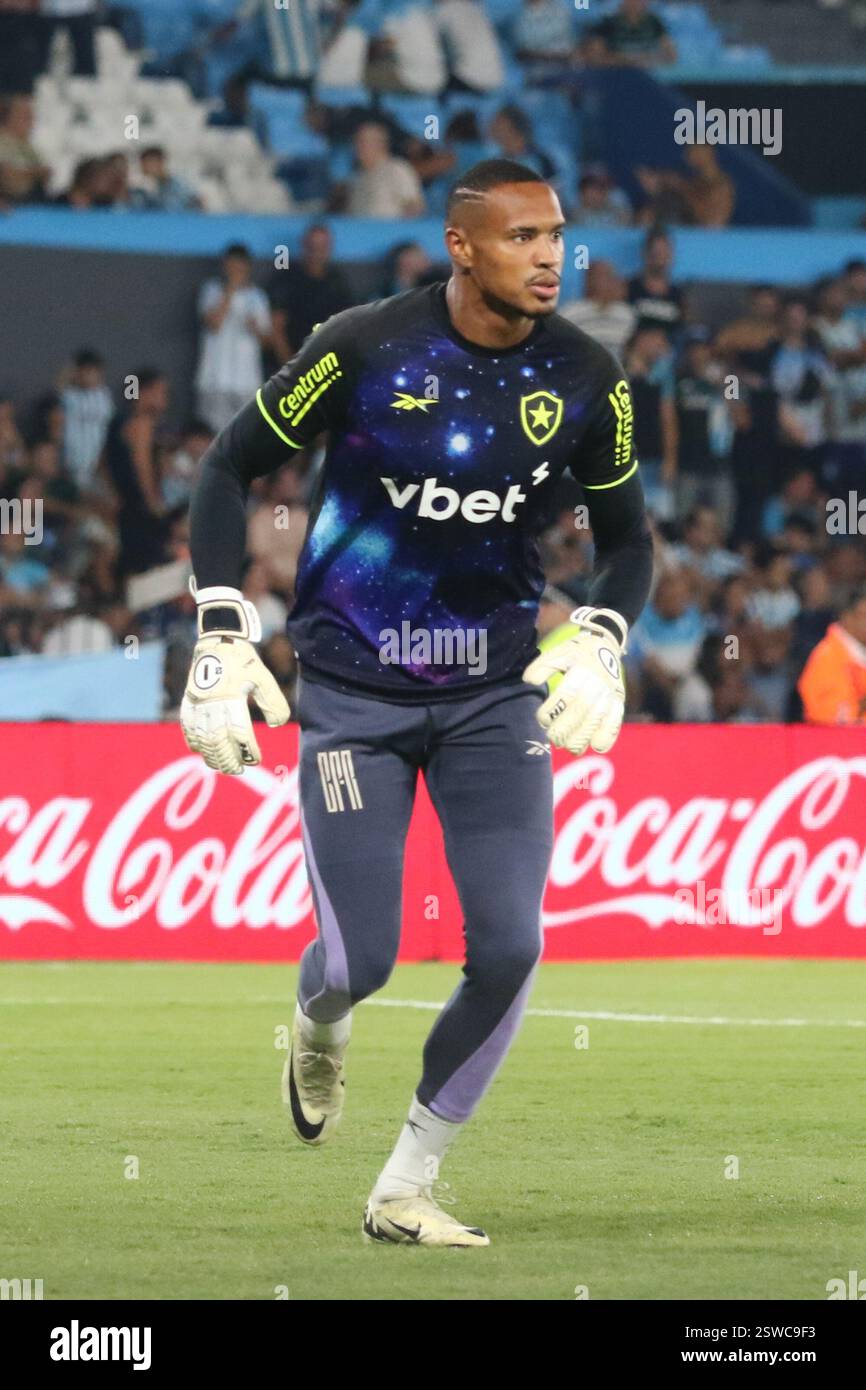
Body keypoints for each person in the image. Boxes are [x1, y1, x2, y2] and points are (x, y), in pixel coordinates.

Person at [181, 156, 653, 1246]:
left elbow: (627, 540)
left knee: (510, 945)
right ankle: (317, 1018)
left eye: (556, 235)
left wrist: (603, 631)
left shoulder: (589, 376)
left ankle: (402, 1186)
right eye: (522, 237)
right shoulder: (359, 346)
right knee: (361, 960)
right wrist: (217, 617)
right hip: (351, 692)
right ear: (460, 245)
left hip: (494, 696)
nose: (549, 256)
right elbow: (225, 466)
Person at [195, 243, 274, 433]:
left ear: (247, 267)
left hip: (247, 382)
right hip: (214, 380)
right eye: (231, 265)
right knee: (211, 437)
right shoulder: (211, 290)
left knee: (244, 438)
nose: (235, 270)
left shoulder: (258, 296)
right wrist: (231, 289)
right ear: (224, 265)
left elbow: (266, 343)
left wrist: (255, 328)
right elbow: (213, 324)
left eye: (239, 266)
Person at [269, 223, 353, 364]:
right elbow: (277, 328)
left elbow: (346, 326)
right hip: (291, 363)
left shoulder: (338, 282)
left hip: (326, 366)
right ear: (304, 245)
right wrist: (290, 368)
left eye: (322, 246)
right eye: (313, 246)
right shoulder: (287, 279)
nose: (317, 251)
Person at [798, 584, 866, 724]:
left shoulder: (856, 655)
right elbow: (827, 714)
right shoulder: (827, 657)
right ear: (847, 617)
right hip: (836, 742)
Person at [345, 119, 425, 218]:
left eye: (362, 142)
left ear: (380, 144)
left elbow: (415, 207)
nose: (357, 147)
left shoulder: (397, 169)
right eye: (356, 142)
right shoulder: (356, 176)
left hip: (388, 231)